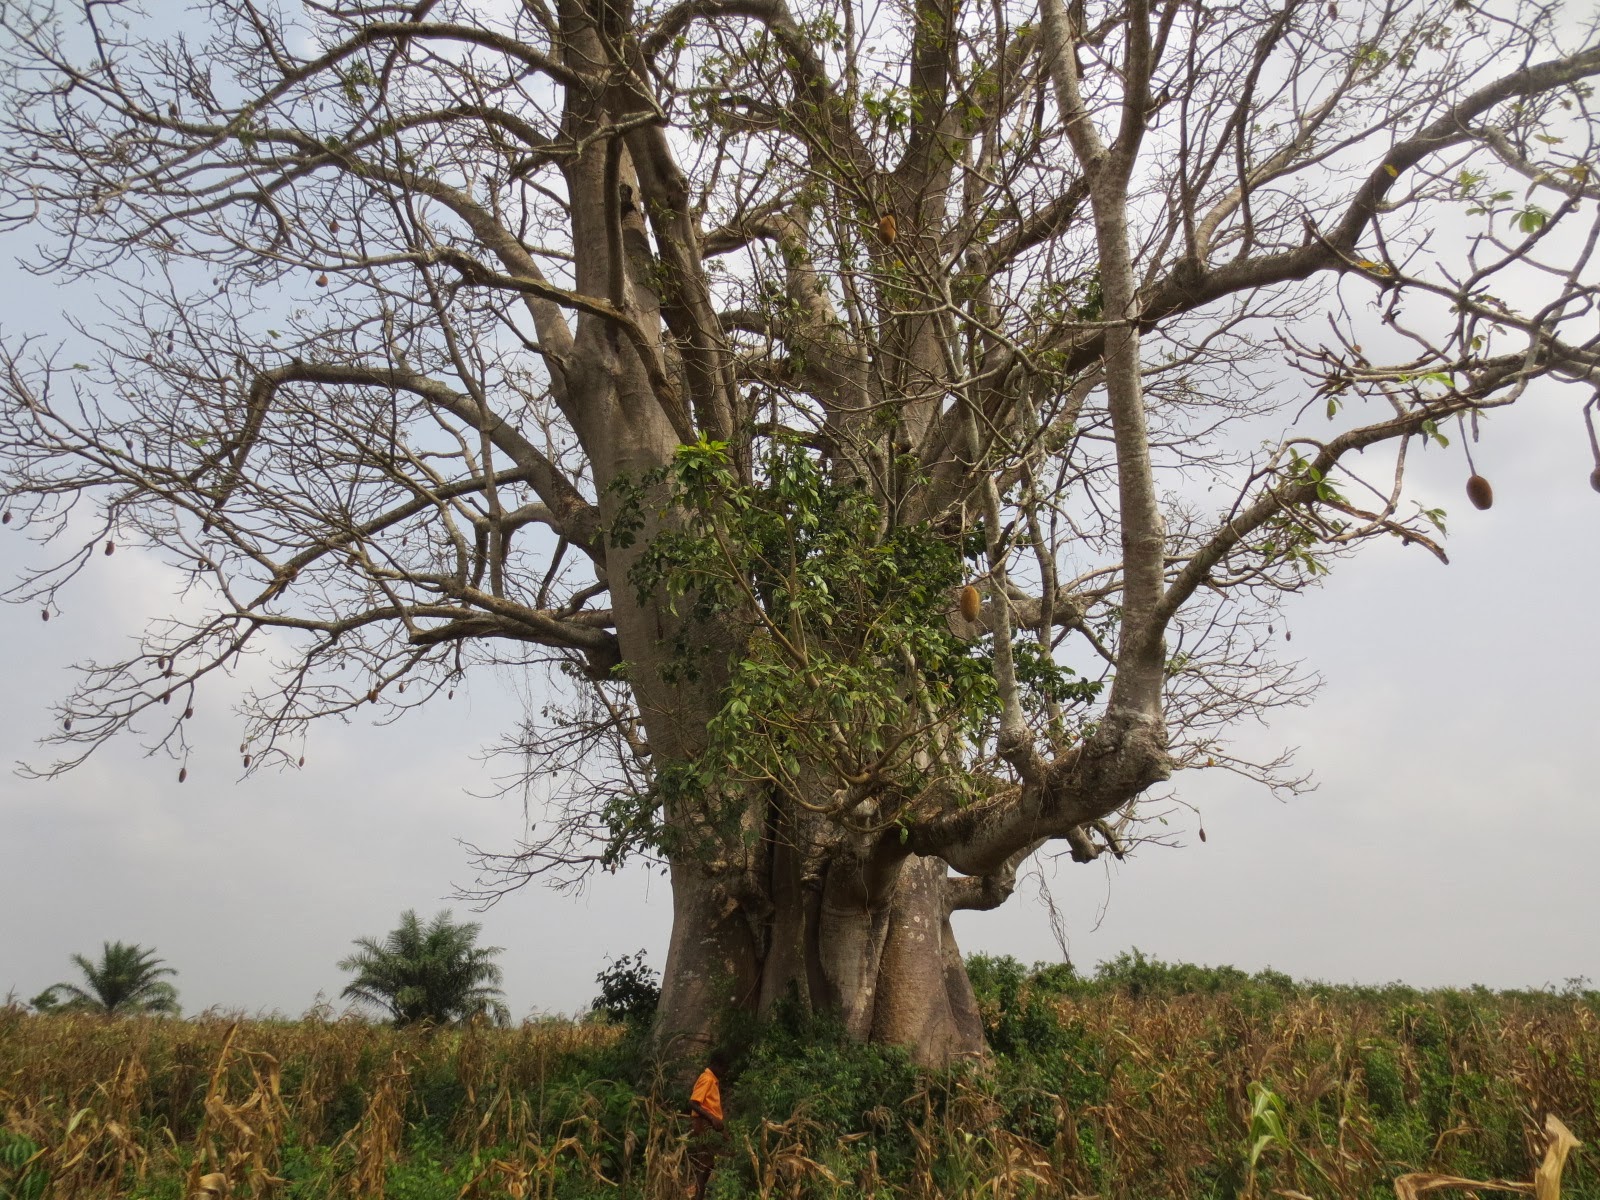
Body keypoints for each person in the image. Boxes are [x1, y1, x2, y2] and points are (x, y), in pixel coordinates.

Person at [686, 1050, 729, 1199]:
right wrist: (712, 1118)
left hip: (709, 1124)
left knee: (708, 1162)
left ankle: (700, 1195)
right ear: (716, 1065)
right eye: (723, 1068)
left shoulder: (712, 1079)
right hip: (704, 1124)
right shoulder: (707, 1079)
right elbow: (693, 1102)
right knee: (706, 1162)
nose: (724, 1072)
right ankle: (699, 1196)